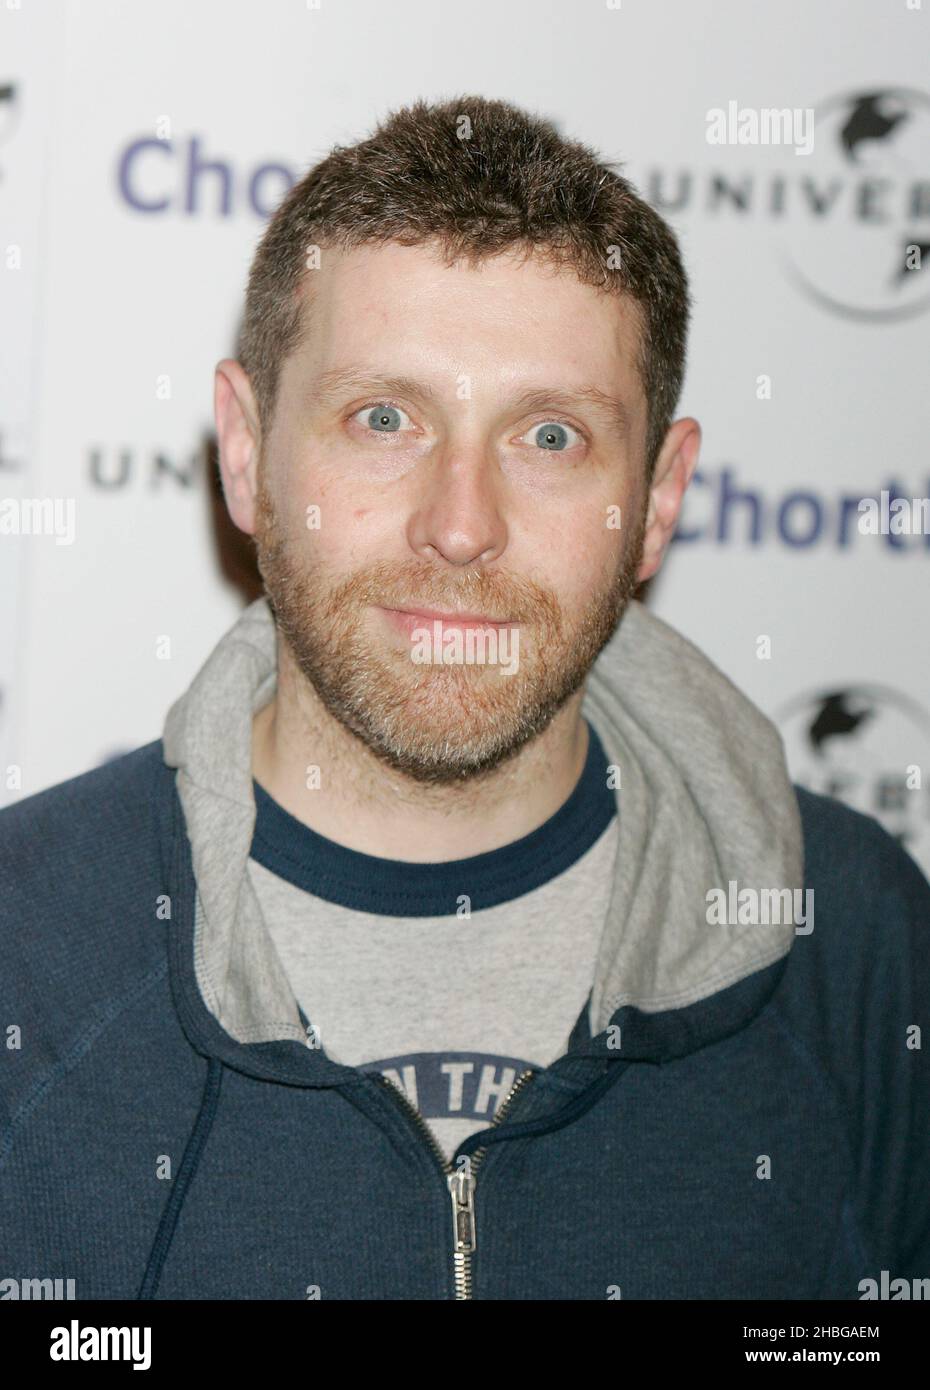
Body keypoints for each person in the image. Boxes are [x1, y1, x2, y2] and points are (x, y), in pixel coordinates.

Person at [2, 94, 928, 1302]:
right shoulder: (25, 948)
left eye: (549, 436)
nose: (460, 526)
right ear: (245, 451)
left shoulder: (857, 938)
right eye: (383, 418)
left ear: (657, 498)